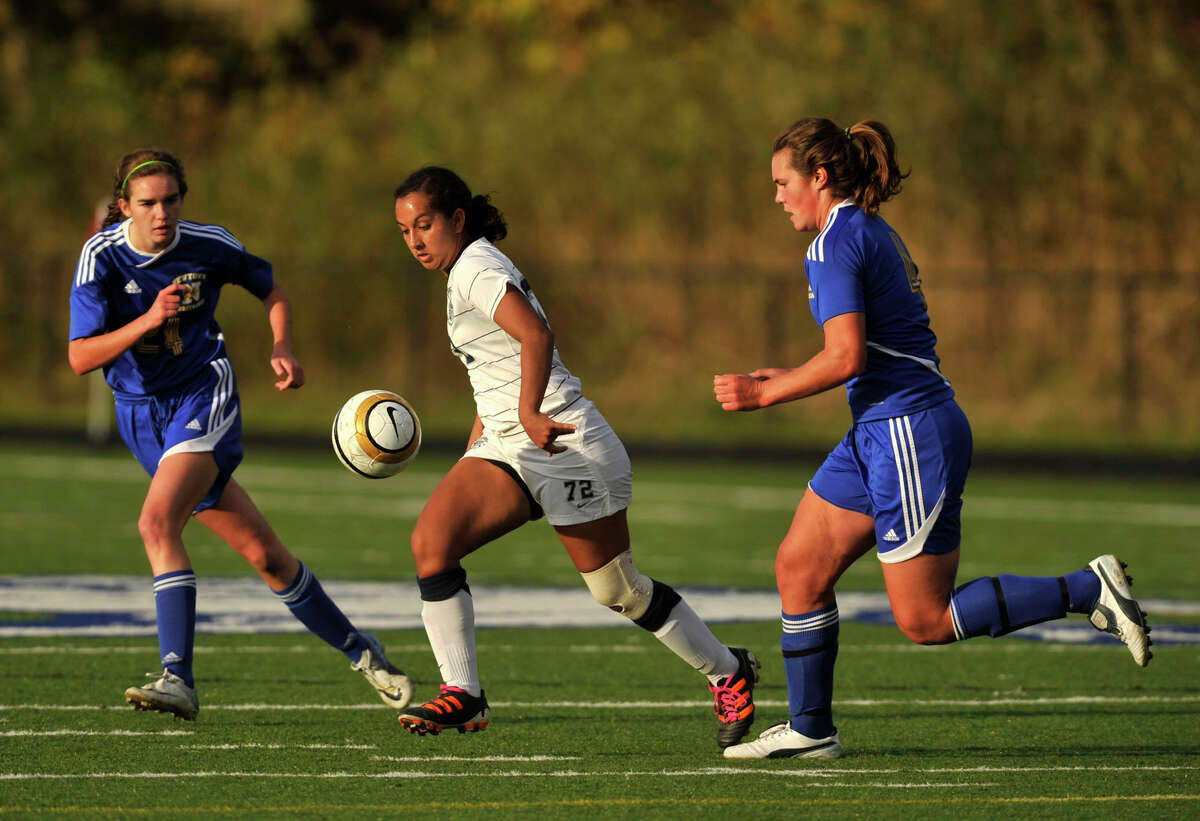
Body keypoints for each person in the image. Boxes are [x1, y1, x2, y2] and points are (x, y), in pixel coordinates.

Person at [713, 118, 1152, 760]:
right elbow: (865, 351)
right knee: (799, 567)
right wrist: (791, 373)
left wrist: (762, 395)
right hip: (879, 430)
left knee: (925, 620)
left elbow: (848, 357)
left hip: (908, 438)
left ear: (819, 177)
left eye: (783, 183)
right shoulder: (861, 230)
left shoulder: (835, 243)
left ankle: (1087, 589)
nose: (777, 197)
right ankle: (811, 729)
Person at [392, 166, 758, 747]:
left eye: (426, 225)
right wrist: (479, 447)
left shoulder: (476, 267)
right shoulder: (464, 267)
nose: (415, 240)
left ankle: (728, 672)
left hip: (565, 442)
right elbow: (498, 365)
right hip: (511, 444)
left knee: (619, 592)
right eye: (406, 230)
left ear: (457, 220)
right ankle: (465, 696)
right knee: (431, 545)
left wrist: (532, 412)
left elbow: (537, 335)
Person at [68, 149, 413, 720]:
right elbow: (80, 357)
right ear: (124, 206)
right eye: (148, 203)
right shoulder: (100, 258)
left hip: (205, 396)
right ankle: (363, 652)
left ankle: (177, 677)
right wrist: (148, 320)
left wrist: (282, 346)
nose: (162, 214)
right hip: (138, 415)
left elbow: (270, 289)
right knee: (267, 557)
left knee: (156, 523)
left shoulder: (208, 244)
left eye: (171, 200)